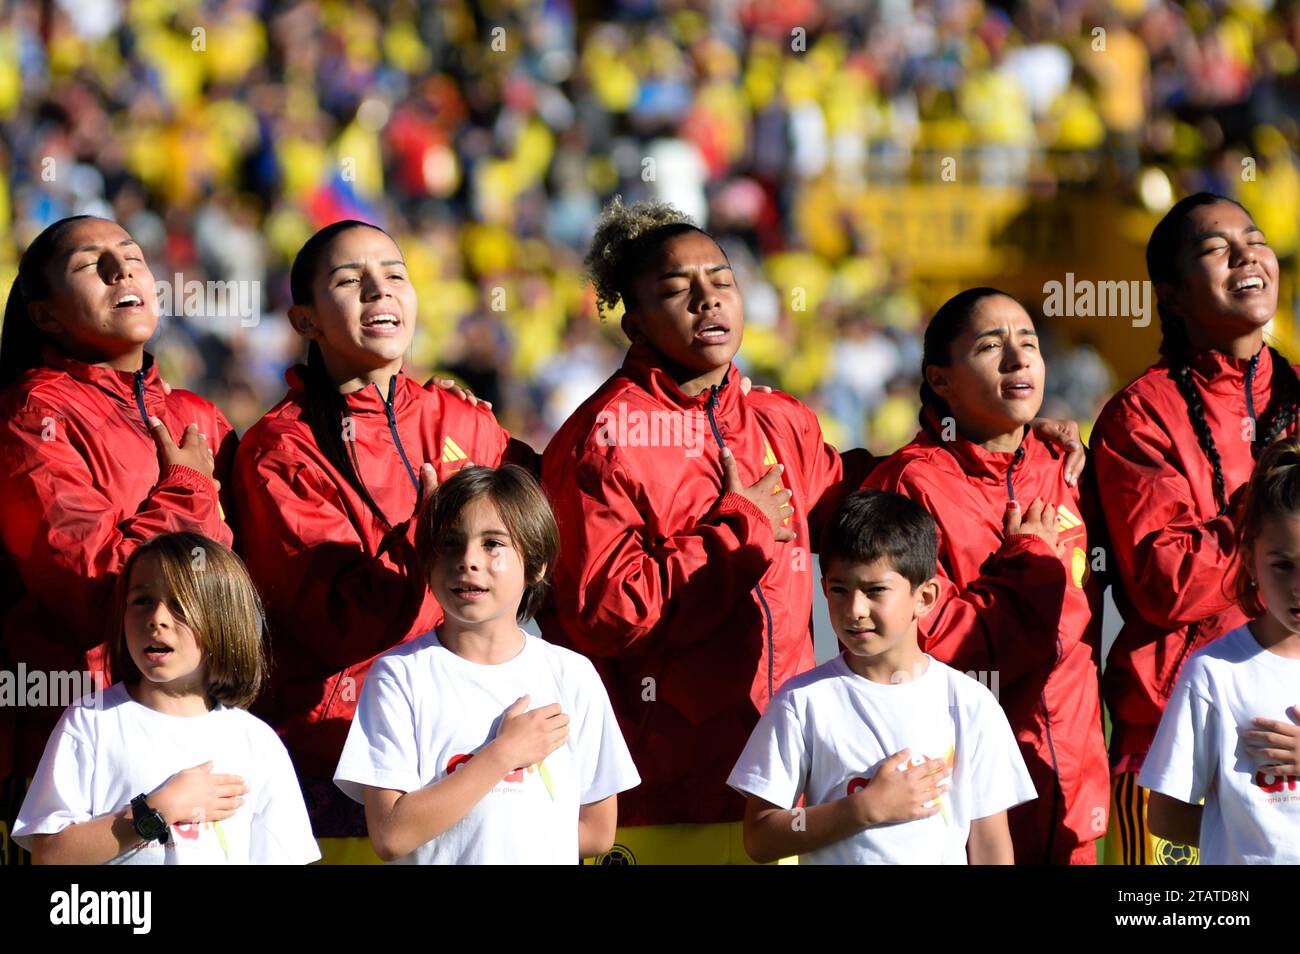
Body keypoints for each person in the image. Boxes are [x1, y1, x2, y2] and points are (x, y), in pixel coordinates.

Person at [542, 198, 1085, 864]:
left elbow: (861, 501)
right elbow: (605, 615)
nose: (708, 301)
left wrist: (1011, 445)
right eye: (677, 291)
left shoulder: (780, 421)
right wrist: (737, 529)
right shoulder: (606, 437)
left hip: (788, 795)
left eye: (722, 282)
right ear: (635, 320)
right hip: (662, 803)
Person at [231, 220, 535, 862]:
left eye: (395, 275)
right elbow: (334, 621)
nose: (379, 291)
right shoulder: (279, 450)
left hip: (474, 745)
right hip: (339, 763)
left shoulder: (466, 420)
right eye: (350, 280)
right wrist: (426, 543)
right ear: (305, 320)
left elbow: (553, 529)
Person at [0, 216, 233, 863]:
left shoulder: (197, 415)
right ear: (43, 316)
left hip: (194, 739)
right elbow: (90, 585)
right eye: (89, 263)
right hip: (74, 750)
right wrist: (187, 489)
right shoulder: (34, 413)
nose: (121, 269)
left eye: (130, 255)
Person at [864, 288, 1109, 865]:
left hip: (1073, 784)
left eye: (1029, 343)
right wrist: (1031, 564)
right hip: (968, 798)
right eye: (991, 346)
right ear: (942, 381)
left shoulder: (1066, 465)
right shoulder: (909, 485)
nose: (1019, 359)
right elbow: (941, 648)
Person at [1090, 193, 1299, 865]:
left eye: (1255, 238)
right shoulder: (1138, 417)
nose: (1246, 254)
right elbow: (1168, 582)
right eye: (1216, 248)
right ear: (1174, 298)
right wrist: (1273, 501)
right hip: (1171, 751)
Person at [334, 465, 639, 863]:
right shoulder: (399, 676)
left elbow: (598, 831)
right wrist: (502, 755)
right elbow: (391, 835)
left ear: (537, 563)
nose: (468, 560)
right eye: (450, 543)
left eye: (493, 543)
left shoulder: (573, 675)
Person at [728, 490, 1036, 864]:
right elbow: (760, 836)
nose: (854, 610)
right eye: (839, 590)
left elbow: (989, 842)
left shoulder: (971, 703)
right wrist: (864, 808)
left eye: (875, 591)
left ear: (925, 597)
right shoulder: (802, 701)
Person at [12, 532, 319, 864]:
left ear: (225, 619)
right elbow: (49, 856)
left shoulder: (257, 742)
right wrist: (162, 808)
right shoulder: (91, 720)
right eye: (142, 600)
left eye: (179, 604)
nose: (157, 618)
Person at [1140, 437, 1300, 864]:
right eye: (1282, 565)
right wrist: (1240, 832)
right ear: (1249, 558)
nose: (1298, 586)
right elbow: (1166, 816)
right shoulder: (1215, 672)